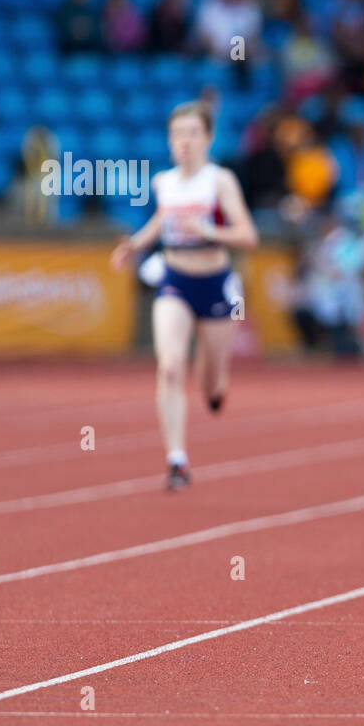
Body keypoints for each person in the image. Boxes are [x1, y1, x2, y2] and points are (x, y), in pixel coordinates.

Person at [110, 102, 259, 490]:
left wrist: (209, 230)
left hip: (214, 282)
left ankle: (217, 385)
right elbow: (161, 221)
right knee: (171, 366)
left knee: (209, 381)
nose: (185, 142)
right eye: (177, 134)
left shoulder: (220, 181)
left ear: (208, 138)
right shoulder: (164, 182)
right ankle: (177, 459)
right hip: (174, 280)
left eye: (193, 133)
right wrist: (134, 245)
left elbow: (249, 236)